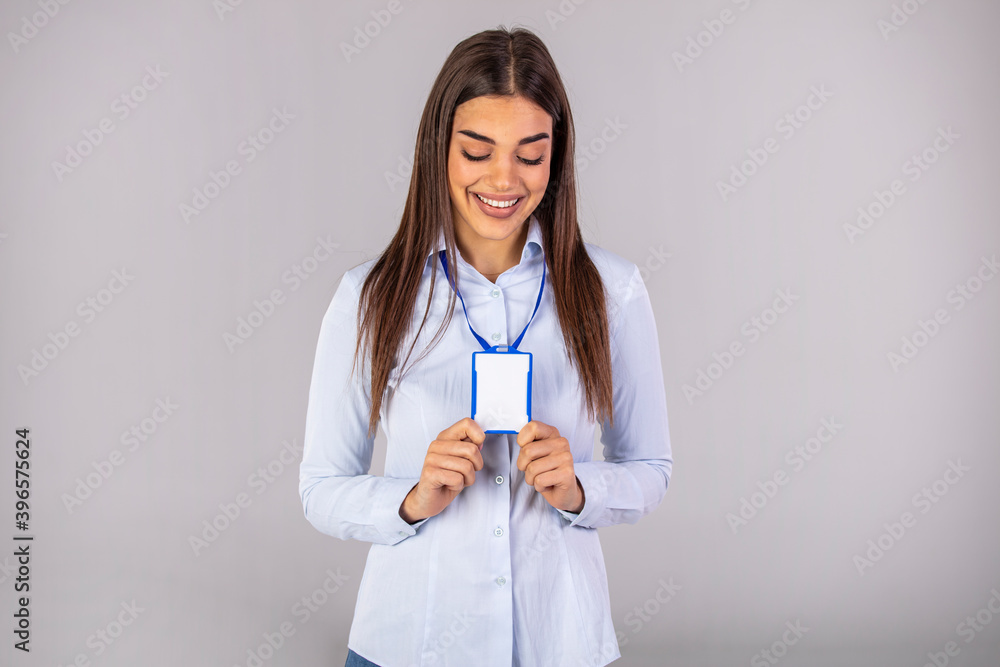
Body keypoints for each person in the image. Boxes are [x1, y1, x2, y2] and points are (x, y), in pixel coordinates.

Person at [299, 25, 673, 667]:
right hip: (409, 645)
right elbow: (321, 489)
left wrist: (579, 490)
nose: (505, 179)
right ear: (438, 150)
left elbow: (651, 469)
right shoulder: (371, 296)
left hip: (558, 643)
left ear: (557, 158)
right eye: (477, 151)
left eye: (531, 155)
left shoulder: (614, 290)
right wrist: (411, 500)